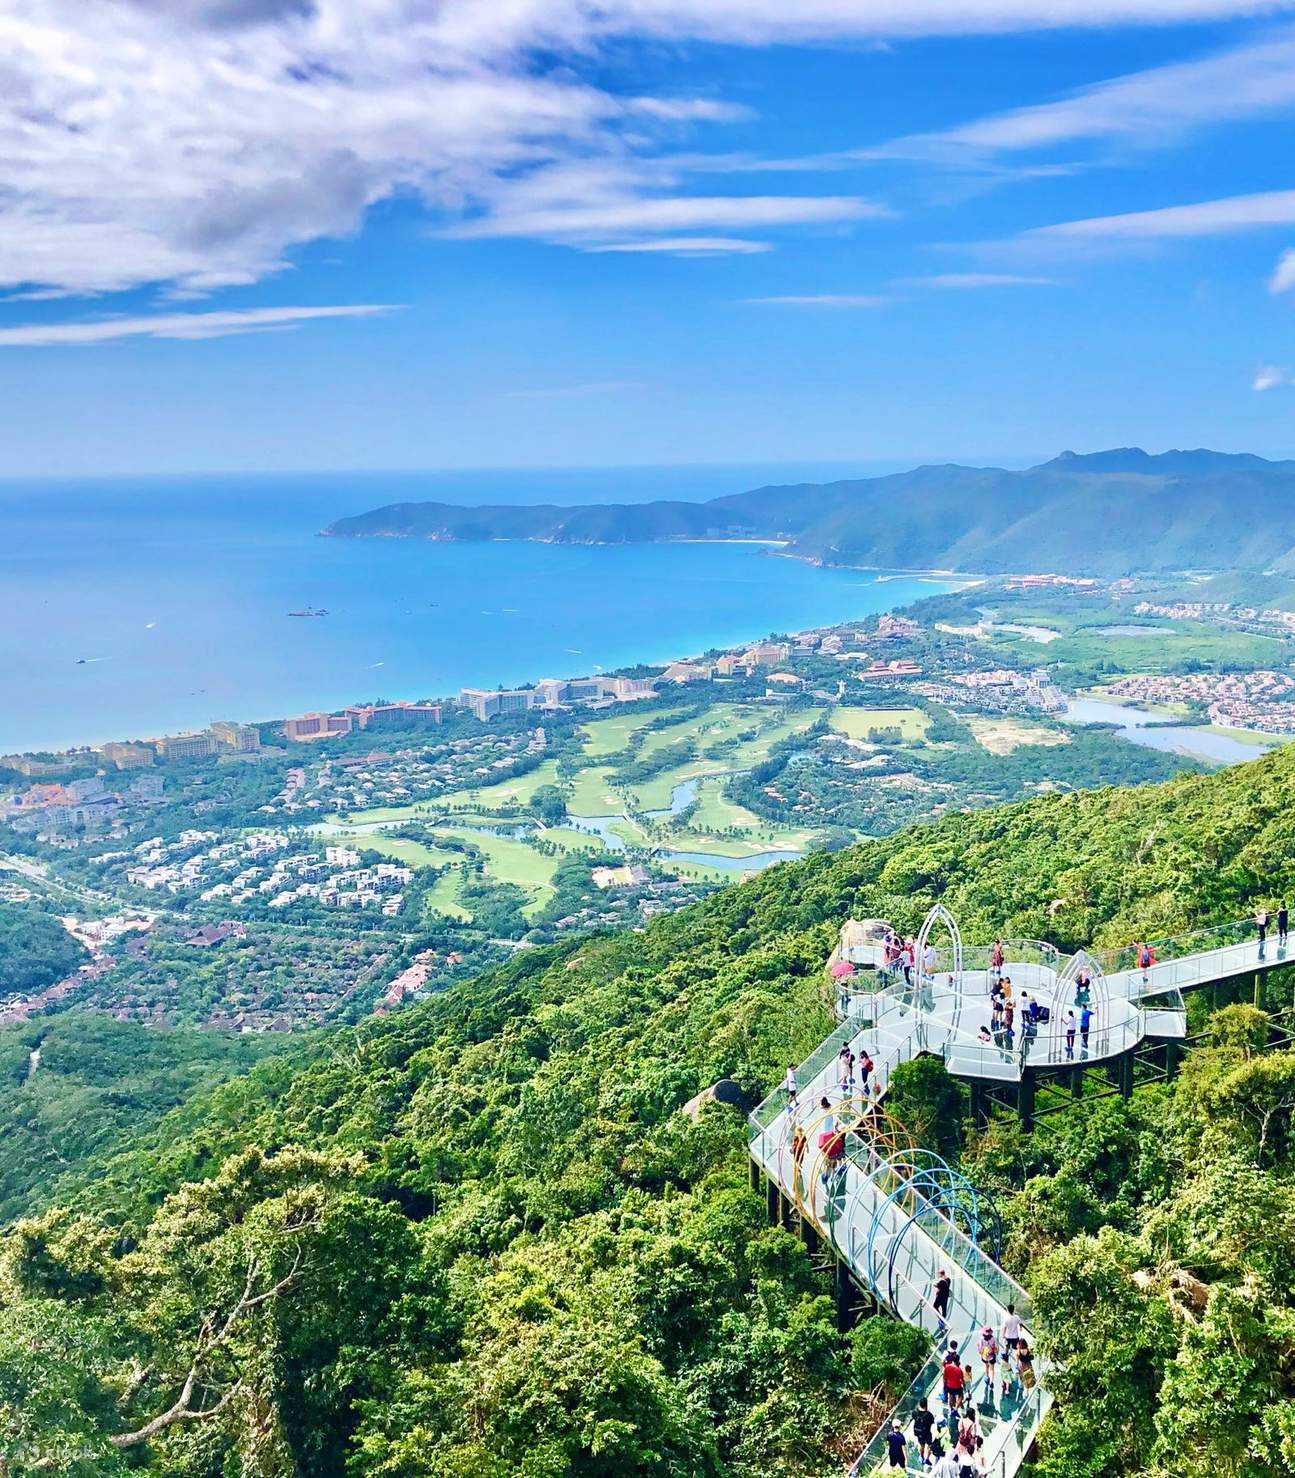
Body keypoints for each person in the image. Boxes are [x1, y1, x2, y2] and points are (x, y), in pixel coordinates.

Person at [913, 1398, 937, 1466]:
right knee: (929, 1445)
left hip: (919, 1433)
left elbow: (914, 1417)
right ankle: (927, 1459)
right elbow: (932, 1422)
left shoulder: (915, 1412)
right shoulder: (929, 1415)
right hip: (927, 1433)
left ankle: (921, 1456)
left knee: (921, 1445)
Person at [978, 1326, 998, 1392]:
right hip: (992, 1356)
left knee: (986, 1366)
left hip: (984, 1356)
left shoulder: (981, 1339)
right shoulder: (993, 1338)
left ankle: (986, 1378)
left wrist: (982, 1352)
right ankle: (991, 1382)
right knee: (992, 1369)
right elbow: (996, 1348)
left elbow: (980, 1350)